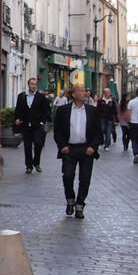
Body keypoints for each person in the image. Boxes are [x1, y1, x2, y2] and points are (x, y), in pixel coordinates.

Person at [53, 82, 101, 219]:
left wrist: (93, 146)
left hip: (86, 149)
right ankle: (70, 200)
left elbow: (98, 132)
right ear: (73, 94)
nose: (84, 93)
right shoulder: (63, 111)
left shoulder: (92, 111)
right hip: (69, 149)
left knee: (85, 178)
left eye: (85, 90)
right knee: (67, 176)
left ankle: (80, 205)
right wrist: (62, 146)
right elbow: (58, 131)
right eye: (80, 91)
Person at [13, 76, 51, 174]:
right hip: (26, 125)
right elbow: (18, 109)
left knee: (39, 143)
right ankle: (29, 166)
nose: (33, 86)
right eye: (32, 84)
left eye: (35, 84)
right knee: (27, 146)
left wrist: (42, 122)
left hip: (37, 125)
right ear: (28, 85)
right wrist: (17, 119)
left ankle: (36, 162)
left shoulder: (41, 97)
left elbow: (46, 111)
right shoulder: (21, 96)